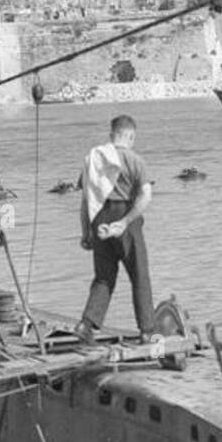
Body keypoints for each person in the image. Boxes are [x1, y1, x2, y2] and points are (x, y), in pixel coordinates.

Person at [74, 115, 154, 344]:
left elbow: (85, 200)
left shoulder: (94, 161)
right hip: (125, 217)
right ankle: (148, 331)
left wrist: (86, 231)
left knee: (103, 277)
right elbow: (145, 195)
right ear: (130, 136)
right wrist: (125, 222)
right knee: (139, 275)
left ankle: (86, 325)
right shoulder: (134, 160)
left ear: (111, 135)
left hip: (98, 217)